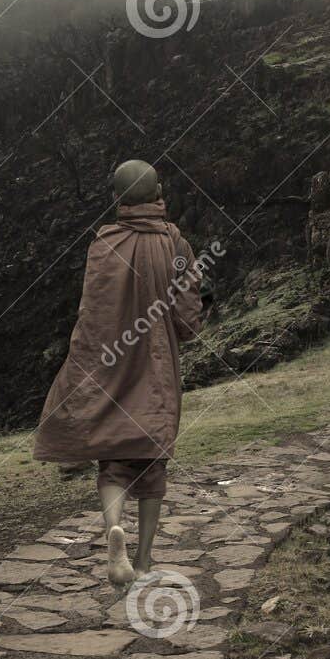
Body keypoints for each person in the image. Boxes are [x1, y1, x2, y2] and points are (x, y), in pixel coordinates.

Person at [33, 159, 204, 586]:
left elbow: (91, 311)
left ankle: (115, 533)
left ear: (117, 198)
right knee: (152, 462)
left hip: (111, 361)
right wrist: (185, 328)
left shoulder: (103, 243)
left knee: (112, 461)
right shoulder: (175, 243)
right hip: (156, 361)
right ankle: (144, 562)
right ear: (158, 191)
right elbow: (186, 307)